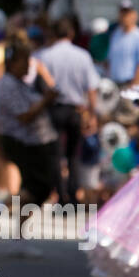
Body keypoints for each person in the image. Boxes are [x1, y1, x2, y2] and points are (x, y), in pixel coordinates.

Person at [36, 16, 100, 205]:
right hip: (75, 109)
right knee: (73, 154)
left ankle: (60, 194)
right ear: (71, 33)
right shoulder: (83, 55)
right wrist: (92, 113)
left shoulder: (44, 56)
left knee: (55, 154)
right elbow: (91, 88)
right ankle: (73, 193)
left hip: (53, 109)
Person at [0, 42, 60, 206]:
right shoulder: (7, 84)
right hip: (22, 142)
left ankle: (18, 223)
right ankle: (0, 207)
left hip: (33, 141)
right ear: (13, 63)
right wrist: (46, 100)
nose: (28, 65)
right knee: (36, 188)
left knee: (38, 188)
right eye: (24, 61)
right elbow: (24, 116)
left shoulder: (18, 83)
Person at [106, 0, 139, 86]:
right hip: (114, 84)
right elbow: (109, 60)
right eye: (122, 13)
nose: (125, 16)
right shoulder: (115, 34)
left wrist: (134, 86)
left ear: (135, 15)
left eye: (128, 13)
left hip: (131, 84)